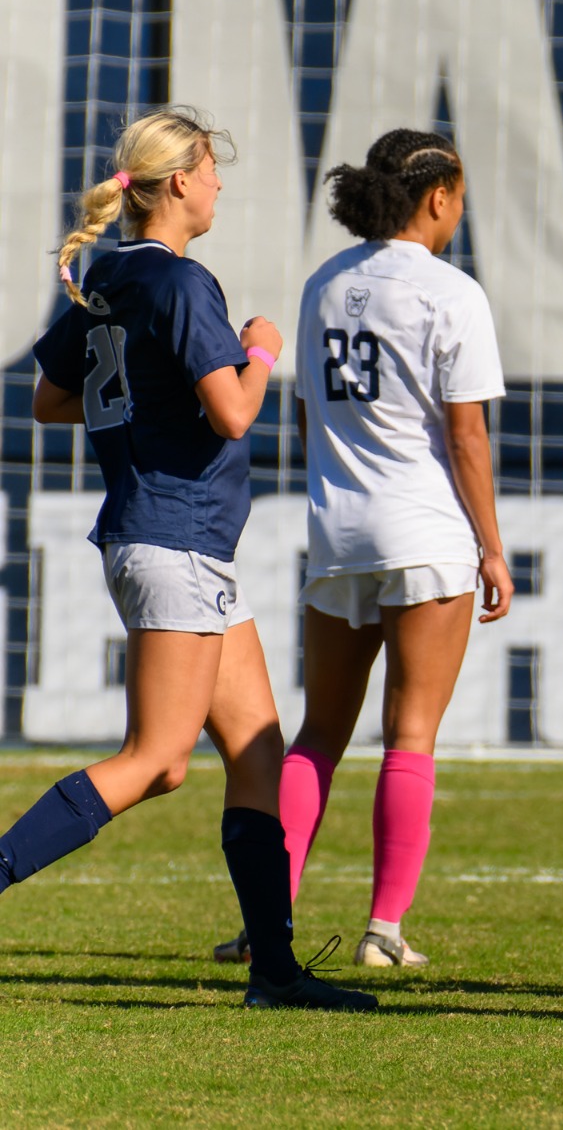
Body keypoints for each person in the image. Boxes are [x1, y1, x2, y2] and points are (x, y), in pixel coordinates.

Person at [14, 106, 375, 1011]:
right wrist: (259, 346)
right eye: (211, 170)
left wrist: (140, 401)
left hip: (181, 541)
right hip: (172, 539)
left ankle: (277, 974)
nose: (218, 185)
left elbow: (52, 400)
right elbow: (238, 412)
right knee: (157, 759)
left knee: (256, 752)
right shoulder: (180, 283)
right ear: (178, 181)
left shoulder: (108, 275)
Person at [240, 130, 510, 971]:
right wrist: (493, 551)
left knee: (319, 733)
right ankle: (383, 931)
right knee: (410, 735)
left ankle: (266, 922)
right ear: (437, 197)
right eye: (459, 198)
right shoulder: (450, 291)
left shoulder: (325, 283)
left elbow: (310, 416)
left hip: (339, 530)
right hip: (425, 531)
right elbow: (466, 439)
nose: (460, 214)